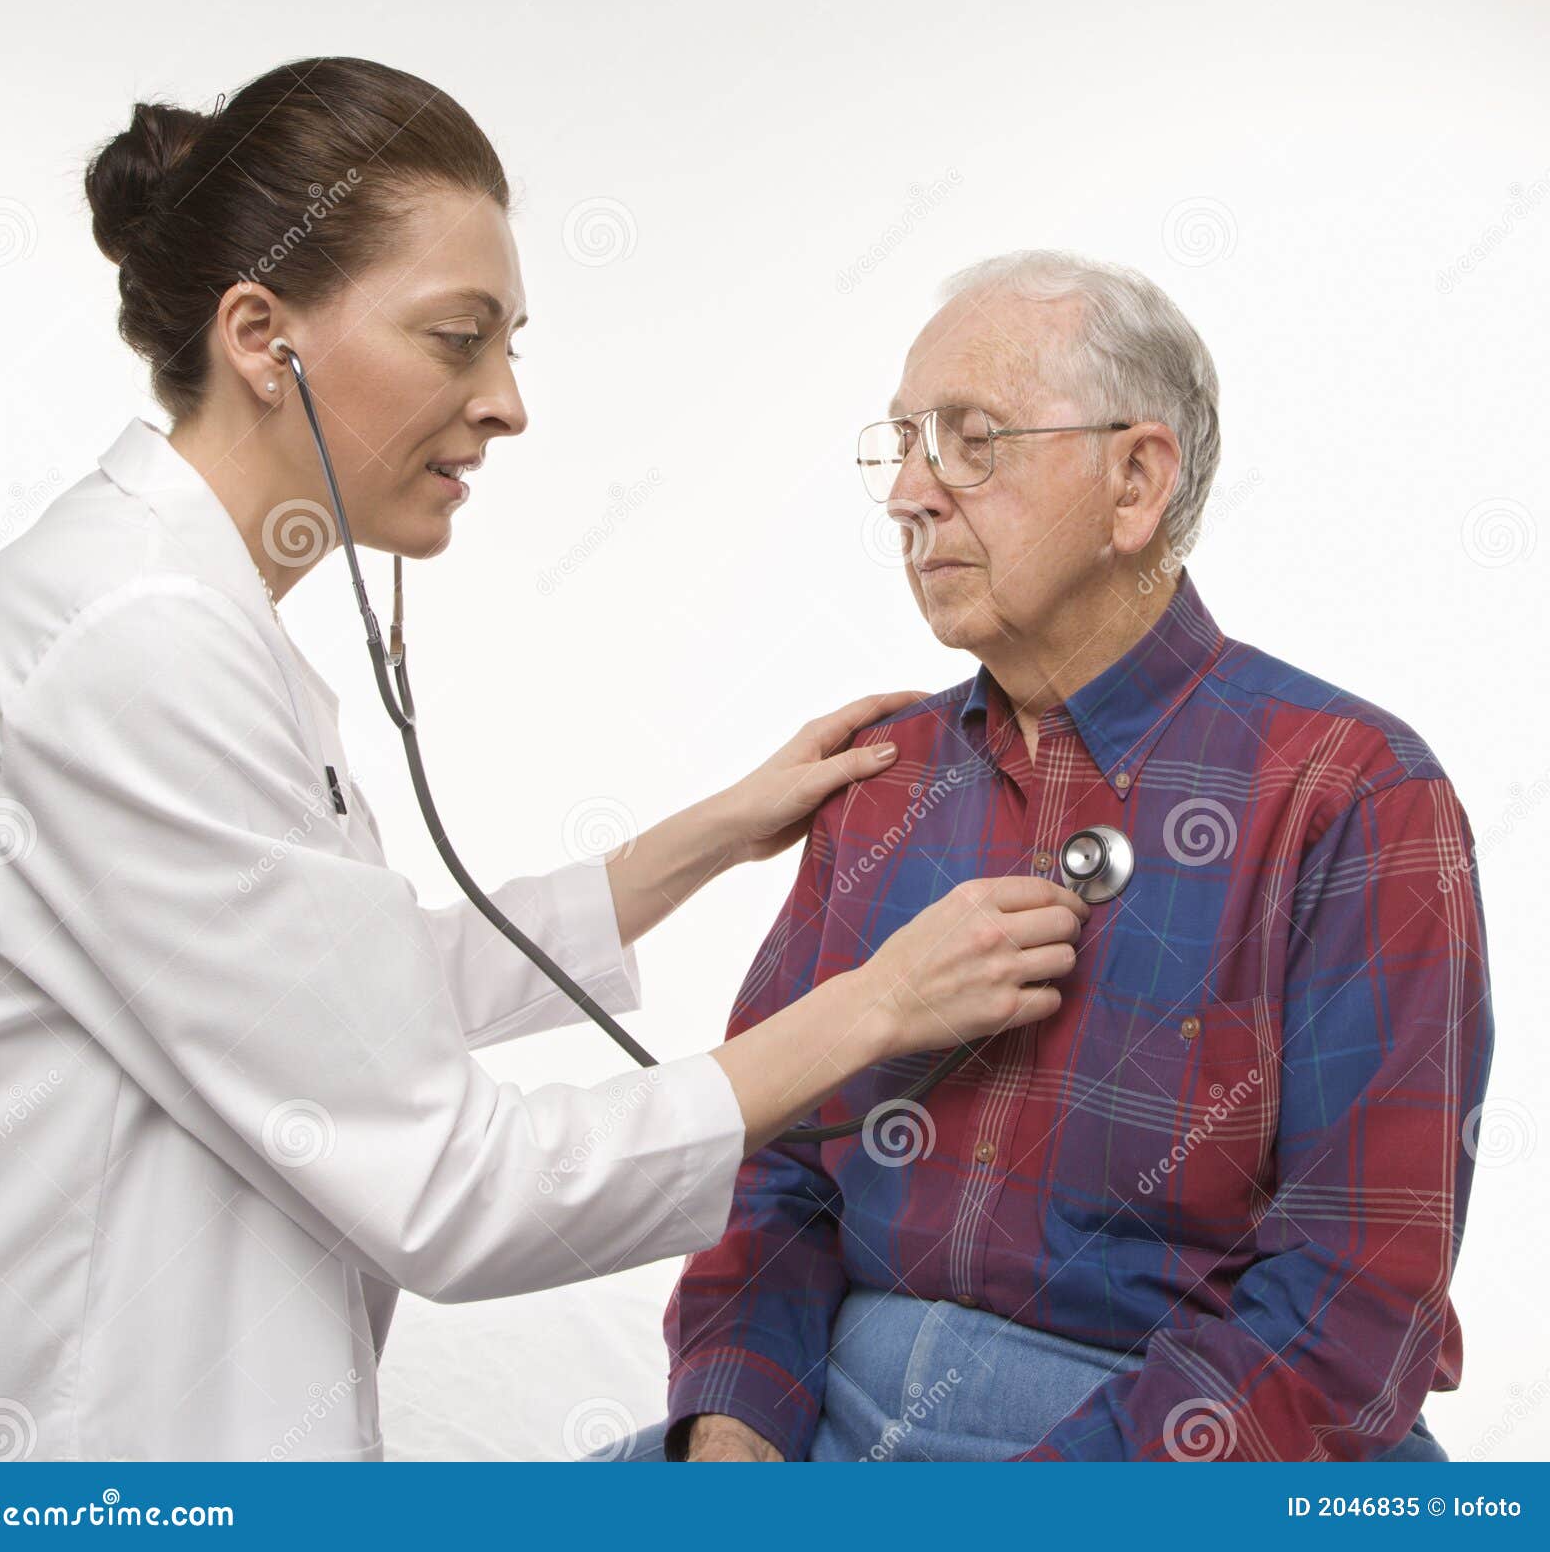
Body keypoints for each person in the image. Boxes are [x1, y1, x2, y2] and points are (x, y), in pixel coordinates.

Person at [0, 60, 1089, 1463]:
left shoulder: (166, 611)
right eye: (456, 338)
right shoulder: (129, 642)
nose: (506, 403)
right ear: (260, 337)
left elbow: (324, 999)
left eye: (512, 345)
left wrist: (696, 842)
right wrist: (873, 1008)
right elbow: (451, 1187)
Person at [618, 250, 1493, 1462]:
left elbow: (1349, 1307)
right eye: (902, 444)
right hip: (841, 1412)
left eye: (969, 440)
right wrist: (734, 1437)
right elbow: (772, 1178)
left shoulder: (1352, 794)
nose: (908, 494)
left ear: (1134, 481)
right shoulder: (880, 780)